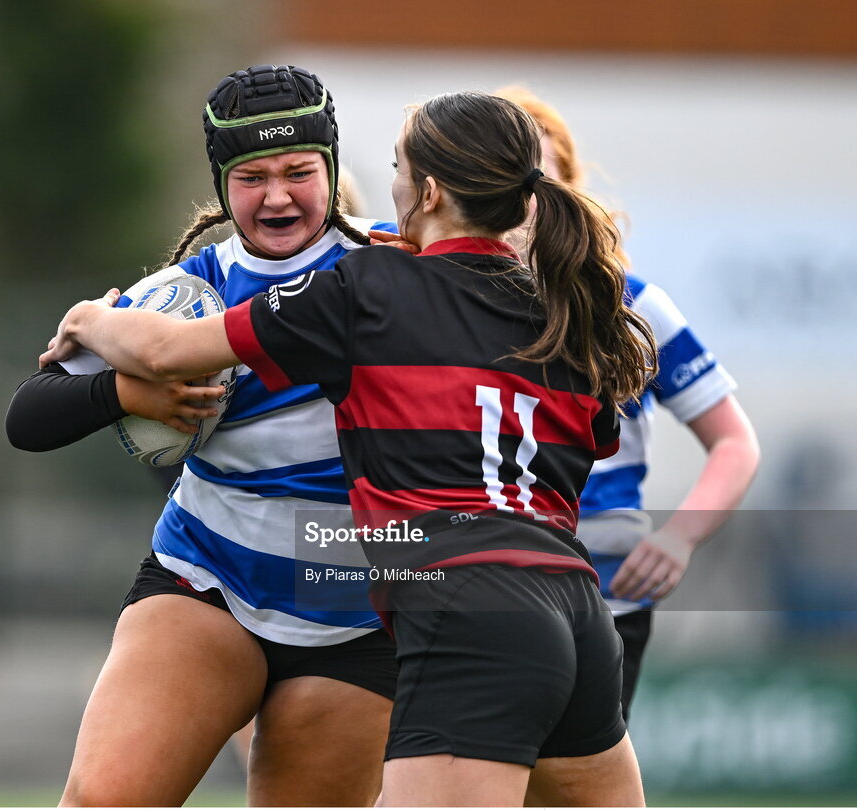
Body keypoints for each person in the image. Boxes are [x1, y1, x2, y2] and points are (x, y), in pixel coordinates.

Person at [39, 90, 659, 807]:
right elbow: (594, 441)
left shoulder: (371, 285)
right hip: (577, 610)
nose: (389, 185)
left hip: (464, 607)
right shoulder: (562, 311)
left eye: (397, 168)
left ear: (429, 192)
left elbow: (166, 350)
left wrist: (89, 319)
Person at [7, 65, 400, 807]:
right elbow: (28, 416)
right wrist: (128, 391)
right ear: (222, 186)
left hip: (356, 614)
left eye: (299, 172)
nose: (277, 196)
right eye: (252, 177)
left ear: (331, 169)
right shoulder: (182, 296)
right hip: (208, 580)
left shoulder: (399, 275)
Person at [495, 86, 761, 723]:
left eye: (539, 177)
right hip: (479, 595)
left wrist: (680, 538)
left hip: (608, 599)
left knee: (579, 774)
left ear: (571, 186)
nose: (524, 199)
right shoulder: (435, 301)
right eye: (503, 177)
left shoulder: (633, 306)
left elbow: (734, 441)